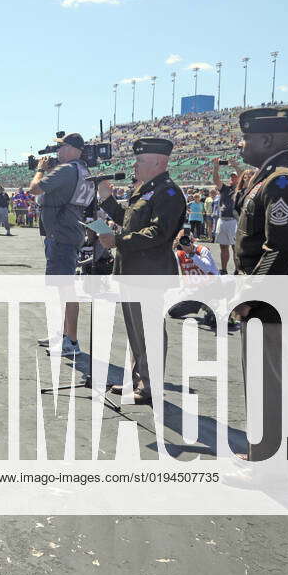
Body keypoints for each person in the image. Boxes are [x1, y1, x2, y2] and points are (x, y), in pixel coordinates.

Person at [233, 108, 288, 462]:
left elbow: (280, 247)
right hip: (274, 294)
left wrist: (250, 295)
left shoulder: (282, 180)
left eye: (247, 138)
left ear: (267, 140)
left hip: (271, 297)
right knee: (272, 376)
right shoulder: (271, 176)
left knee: (268, 379)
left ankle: (268, 460)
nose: (241, 143)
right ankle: (274, 456)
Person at [98, 137, 186, 404]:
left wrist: (119, 241)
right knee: (136, 330)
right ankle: (139, 379)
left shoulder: (168, 192)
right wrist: (106, 199)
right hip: (133, 269)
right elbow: (129, 221)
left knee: (149, 329)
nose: (134, 166)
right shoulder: (147, 190)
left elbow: (158, 232)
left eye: (140, 161)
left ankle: (150, 385)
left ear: (159, 162)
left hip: (149, 272)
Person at [28, 133, 95, 355]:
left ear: (72, 148)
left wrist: (40, 170)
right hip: (68, 230)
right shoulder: (81, 169)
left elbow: (34, 189)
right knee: (61, 288)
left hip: (62, 234)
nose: (57, 152)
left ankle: (71, 341)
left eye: (61, 147)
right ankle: (63, 334)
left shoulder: (67, 169)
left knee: (66, 289)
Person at [212, 158, 242, 274]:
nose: (232, 178)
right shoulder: (225, 188)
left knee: (235, 248)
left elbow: (242, 175)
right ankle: (224, 269)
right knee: (223, 247)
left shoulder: (240, 189)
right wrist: (216, 167)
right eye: (232, 177)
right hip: (223, 220)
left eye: (235, 177)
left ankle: (237, 270)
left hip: (234, 221)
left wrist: (235, 166)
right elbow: (216, 179)